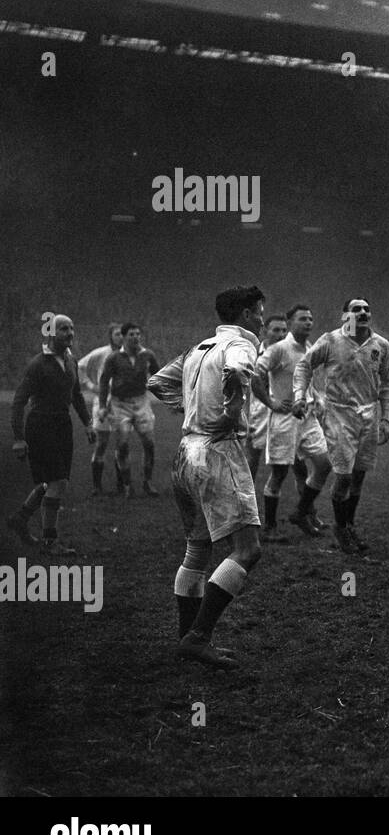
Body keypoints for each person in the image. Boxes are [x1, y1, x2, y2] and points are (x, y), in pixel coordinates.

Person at [147, 285, 275, 669]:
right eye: (260, 312)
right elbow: (238, 370)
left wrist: (192, 408)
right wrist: (231, 407)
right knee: (248, 549)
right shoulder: (243, 345)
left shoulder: (197, 349)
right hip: (219, 451)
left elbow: (157, 382)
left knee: (197, 549)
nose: (263, 319)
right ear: (246, 315)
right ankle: (200, 636)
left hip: (186, 452)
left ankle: (187, 640)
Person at [293, 298, 389, 555]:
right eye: (355, 309)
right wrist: (298, 396)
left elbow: (388, 383)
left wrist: (385, 418)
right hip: (339, 413)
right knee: (344, 475)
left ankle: (349, 525)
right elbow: (304, 365)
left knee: (359, 476)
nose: (362, 312)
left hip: (369, 414)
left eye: (366, 309)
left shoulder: (381, 345)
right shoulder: (330, 341)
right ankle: (340, 528)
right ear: (344, 317)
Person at [9, 315, 93, 555]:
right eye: (64, 328)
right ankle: (49, 542)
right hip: (41, 426)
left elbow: (76, 395)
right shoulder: (38, 364)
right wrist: (18, 438)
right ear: (51, 334)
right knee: (58, 482)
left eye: (72, 327)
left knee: (50, 482)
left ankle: (20, 519)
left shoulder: (71, 361)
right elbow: (18, 402)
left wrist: (88, 423)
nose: (70, 332)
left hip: (62, 426)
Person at [257, 305, 330, 541]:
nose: (308, 322)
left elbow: (306, 380)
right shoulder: (279, 349)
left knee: (324, 464)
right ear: (290, 323)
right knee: (278, 474)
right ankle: (269, 527)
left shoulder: (309, 349)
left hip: (307, 417)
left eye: (310, 318)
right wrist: (271, 402)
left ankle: (301, 512)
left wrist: (316, 398)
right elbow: (255, 376)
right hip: (285, 417)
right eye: (302, 319)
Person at [98, 322, 161, 496]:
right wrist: (102, 406)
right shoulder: (113, 358)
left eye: (138, 334)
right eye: (131, 334)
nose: (135, 337)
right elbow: (104, 381)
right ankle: (127, 484)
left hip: (141, 402)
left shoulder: (148, 355)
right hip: (119, 404)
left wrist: (169, 398)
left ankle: (147, 482)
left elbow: (159, 377)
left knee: (149, 443)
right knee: (123, 443)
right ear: (124, 337)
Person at [77, 322, 122, 495]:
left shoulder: (129, 355)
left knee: (122, 444)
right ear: (110, 336)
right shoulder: (101, 353)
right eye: (117, 334)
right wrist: (90, 385)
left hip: (122, 405)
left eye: (121, 334)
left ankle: (121, 485)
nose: (120, 337)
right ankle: (97, 486)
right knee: (101, 444)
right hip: (102, 404)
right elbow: (80, 366)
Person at [246, 315, 288, 481]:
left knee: (297, 461)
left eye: (284, 330)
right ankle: (245, 497)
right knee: (252, 457)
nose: (281, 334)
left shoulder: (291, 351)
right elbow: (242, 387)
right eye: (276, 330)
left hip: (286, 409)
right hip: (260, 412)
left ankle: (306, 504)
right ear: (265, 331)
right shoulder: (253, 353)